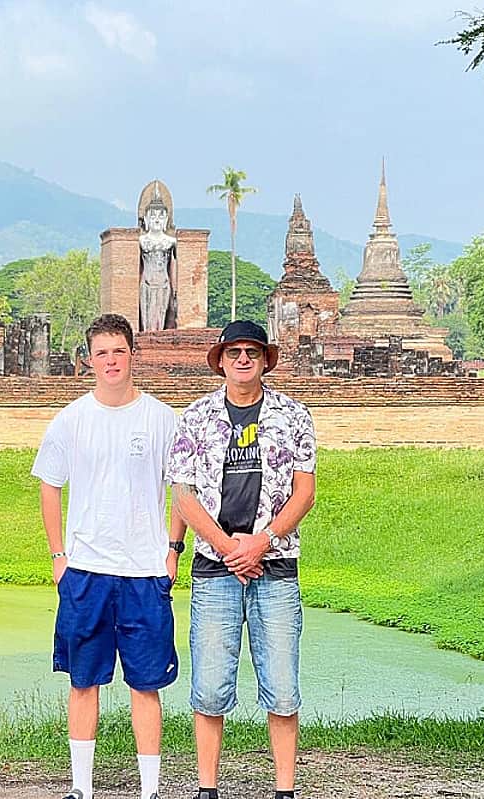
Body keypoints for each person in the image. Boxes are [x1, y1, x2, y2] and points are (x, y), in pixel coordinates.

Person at [32, 313, 184, 799]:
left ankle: (150, 789)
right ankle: (81, 787)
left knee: (145, 684)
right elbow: (49, 486)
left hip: (144, 568)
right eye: (102, 353)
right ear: (89, 360)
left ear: (132, 355)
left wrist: (174, 548)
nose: (111, 360)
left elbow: (181, 488)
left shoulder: (161, 418)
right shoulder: (72, 419)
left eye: (119, 351)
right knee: (83, 680)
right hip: (87, 568)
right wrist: (59, 554)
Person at [166, 320, 317, 799]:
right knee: (209, 686)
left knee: (282, 686)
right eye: (235, 353)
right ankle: (207, 787)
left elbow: (304, 492)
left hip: (274, 566)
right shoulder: (195, 417)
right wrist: (232, 548)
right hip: (216, 568)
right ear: (222, 361)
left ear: (266, 360)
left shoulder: (294, 416)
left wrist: (263, 540)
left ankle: (285, 789)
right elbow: (184, 496)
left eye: (253, 352)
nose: (244, 360)